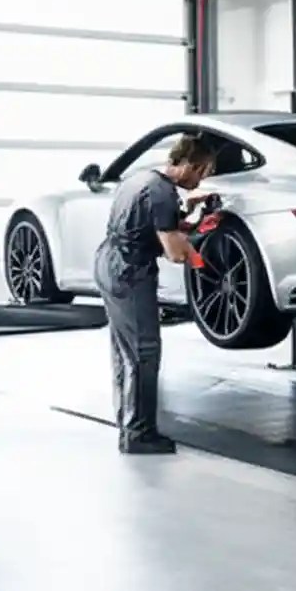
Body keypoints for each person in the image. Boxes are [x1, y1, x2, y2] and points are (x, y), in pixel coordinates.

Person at [94, 133, 218, 454]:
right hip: (130, 273)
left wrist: (190, 216)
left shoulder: (141, 179)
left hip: (108, 261)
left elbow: (153, 225)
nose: (203, 178)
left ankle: (127, 423)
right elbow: (176, 253)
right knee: (144, 353)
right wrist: (203, 251)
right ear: (189, 164)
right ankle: (139, 435)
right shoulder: (163, 193)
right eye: (203, 171)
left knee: (124, 352)